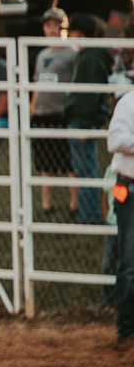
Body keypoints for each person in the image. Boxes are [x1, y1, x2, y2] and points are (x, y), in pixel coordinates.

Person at [66, 14, 115, 225]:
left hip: (82, 121)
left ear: (81, 33)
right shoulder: (93, 56)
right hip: (84, 120)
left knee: (85, 170)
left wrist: (85, 126)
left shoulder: (90, 58)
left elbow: (88, 95)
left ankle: (90, 216)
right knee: (86, 168)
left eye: (72, 31)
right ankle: (91, 213)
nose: (69, 36)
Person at [30, 8, 78, 215]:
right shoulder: (42, 54)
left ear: (64, 28)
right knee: (45, 164)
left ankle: (74, 205)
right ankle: (47, 206)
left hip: (62, 114)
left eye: (56, 26)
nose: (52, 30)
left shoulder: (72, 53)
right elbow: (36, 83)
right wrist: (32, 109)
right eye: (48, 26)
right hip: (42, 114)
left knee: (69, 164)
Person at [105, 86, 134, 351]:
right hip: (130, 188)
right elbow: (114, 141)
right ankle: (126, 332)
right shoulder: (129, 102)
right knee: (129, 262)